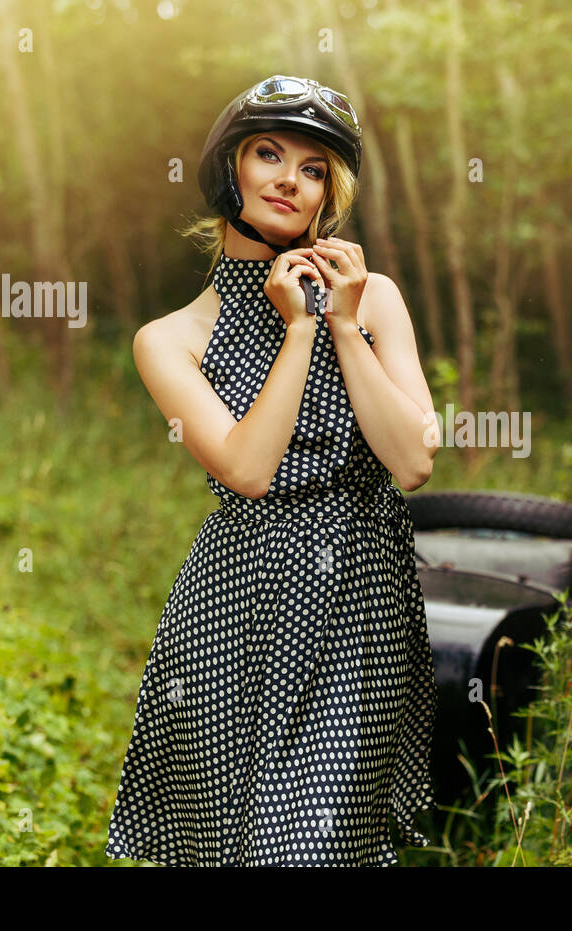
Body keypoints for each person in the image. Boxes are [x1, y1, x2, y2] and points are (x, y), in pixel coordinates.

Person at [104, 76, 440, 866]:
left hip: (362, 596)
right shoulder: (170, 338)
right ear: (230, 170)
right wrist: (297, 332)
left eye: (314, 167)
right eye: (268, 154)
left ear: (330, 196)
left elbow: (412, 460)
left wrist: (343, 325)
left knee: (317, 845)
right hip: (233, 608)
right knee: (233, 847)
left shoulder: (376, 299)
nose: (290, 178)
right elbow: (249, 470)